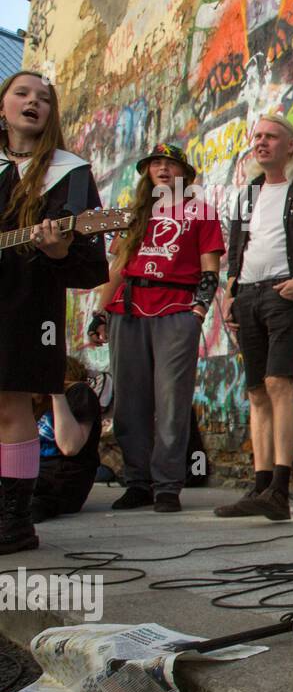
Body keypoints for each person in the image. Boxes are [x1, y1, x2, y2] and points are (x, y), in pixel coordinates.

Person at [0, 70, 108, 554]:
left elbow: (90, 263)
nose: (32, 102)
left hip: (28, 301)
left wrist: (59, 250)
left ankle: (14, 520)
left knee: (11, 402)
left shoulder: (69, 172)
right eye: (21, 93)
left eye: (44, 98)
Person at [215, 114, 293, 521]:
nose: (260, 143)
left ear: (291, 145)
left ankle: (281, 490)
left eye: (270, 136)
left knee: (278, 382)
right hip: (248, 295)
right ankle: (260, 485)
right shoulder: (247, 194)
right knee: (255, 390)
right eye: (256, 137)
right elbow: (236, 249)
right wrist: (231, 292)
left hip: (287, 294)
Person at [88, 143, 224, 513]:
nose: (163, 169)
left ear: (186, 174)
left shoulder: (201, 212)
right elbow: (116, 269)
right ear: (147, 173)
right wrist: (100, 314)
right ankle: (138, 483)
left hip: (177, 310)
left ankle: (167, 485)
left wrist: (198, 311)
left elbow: (209, 269)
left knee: (171, 401)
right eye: (156, 164)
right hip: (128, 310)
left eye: (171, 164)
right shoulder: (135, 216)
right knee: (130, 401)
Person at [31, 356, 101, 524]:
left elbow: (70, 447)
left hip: (62, 479)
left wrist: (57, 393)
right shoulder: (35, 402)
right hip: (36, 477)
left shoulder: (78, 393)